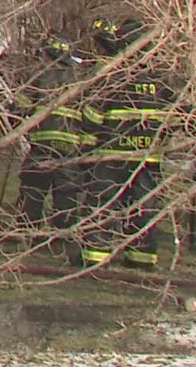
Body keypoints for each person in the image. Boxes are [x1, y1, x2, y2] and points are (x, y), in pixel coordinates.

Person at [79, 19, 176, 269]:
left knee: (104, 204)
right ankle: (142, 258)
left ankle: (96, 256)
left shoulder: (112, 74)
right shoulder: (161, 78)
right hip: (148, 157)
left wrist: (87, 144)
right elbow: (175, 118)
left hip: (112, 155)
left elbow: (91, 116)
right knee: (144, 207)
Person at [16, 32, 90, 251]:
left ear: (47, 53)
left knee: (33, 191)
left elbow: (19, 108)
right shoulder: (80, 81)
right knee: (66, 194)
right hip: (70, 148)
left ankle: (30, 234)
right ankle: (62, 238)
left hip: (42, 146)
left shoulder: (38, 77)